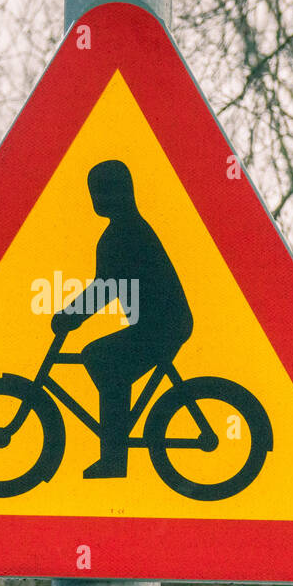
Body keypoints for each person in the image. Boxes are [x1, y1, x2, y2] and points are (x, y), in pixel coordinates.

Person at [52, 159, 193, 478]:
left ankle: (114, 458)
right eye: (95, 192)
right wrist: (73, 317)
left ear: (125, 191)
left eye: (105, 190)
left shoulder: (123, 233)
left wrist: (70, 317)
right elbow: (108, 285)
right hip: (159, 324)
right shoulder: (122, 230)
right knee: (101, 357)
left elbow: (105, 287)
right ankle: (115, 448)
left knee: (101, 358)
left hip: (163, 325)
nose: (99, 198)